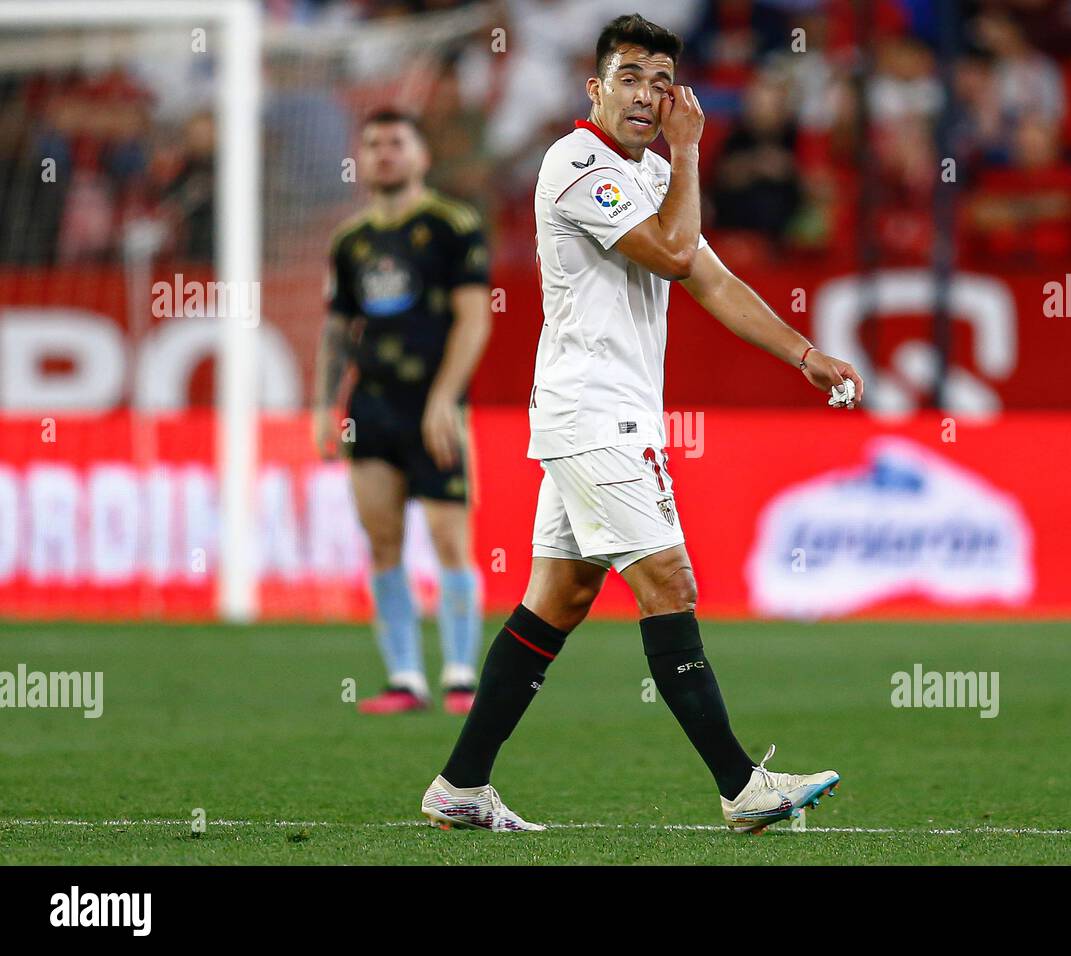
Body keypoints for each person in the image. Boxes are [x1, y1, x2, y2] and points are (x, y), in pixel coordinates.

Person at [420, 14, 863, 834]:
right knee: (670, 583)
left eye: (663, 82)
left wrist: (804, 353)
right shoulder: (578, 161)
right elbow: (667, 252)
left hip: (601, 415)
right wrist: (690, 154)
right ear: (596, 87)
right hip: (595, 416)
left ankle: (462, 786)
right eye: (630, 77)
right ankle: (742, 788)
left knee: (559, 597)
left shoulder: (653, 175)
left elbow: (713, 278)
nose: (647, 96)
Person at [314, 110, 491, 716]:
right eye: (373, 144)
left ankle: (462, 678)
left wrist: (446, 397)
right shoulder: (350, 241)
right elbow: (337, 331)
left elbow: (474, 317)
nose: (384, 153)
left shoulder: (452, 225)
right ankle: (405, 680)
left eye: (397, 143)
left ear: (421, 156)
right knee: (382, 540)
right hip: (373, 407)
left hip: (433, 405)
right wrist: (323, 407)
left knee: (449, 537)